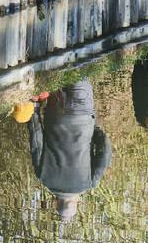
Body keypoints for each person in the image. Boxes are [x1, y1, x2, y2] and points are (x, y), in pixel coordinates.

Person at [24, 81, 111, 222]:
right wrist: (35, 109)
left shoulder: (89, 182)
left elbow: (105, 152)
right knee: (58, 73)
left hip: (82, 114)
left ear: (76, 202)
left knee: (80, 71)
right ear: (57, 202)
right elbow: (36, 140)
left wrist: (95, 131)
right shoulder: (44, 178)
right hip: (55, 113)